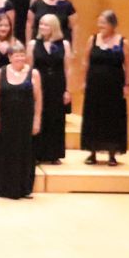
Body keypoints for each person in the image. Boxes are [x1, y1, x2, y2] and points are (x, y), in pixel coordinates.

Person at [0, 41, 40, 199]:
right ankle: (2, 188)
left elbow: (38, 99)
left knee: (24, 152)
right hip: (5, 118)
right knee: (4, 152)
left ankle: (24, 189)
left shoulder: (33, 73)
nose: (20, 58)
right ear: (10, 57)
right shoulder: (1, 72)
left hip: (25, 119)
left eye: (22, 55)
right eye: (16, 55)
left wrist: (37, 120)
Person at [81, 10, 129, 166]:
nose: (100, 25)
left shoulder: (123, 42)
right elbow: (85, 62)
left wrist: (127, 85)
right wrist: (84, 81)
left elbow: (128, 66)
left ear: (112, 24)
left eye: (103, 22)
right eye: (99, 22)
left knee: (113, 117)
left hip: (114, 86)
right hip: (94, 84)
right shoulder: (92, 39)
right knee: (93, 116)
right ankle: (92, 152)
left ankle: (112, 153)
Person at [33, 13, 74, 164]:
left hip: (57, 85)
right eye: (41, 24)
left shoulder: (64, 44)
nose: (42, 27)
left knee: (56, 118)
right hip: (40, 84)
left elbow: (68, 68)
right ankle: (37, 152)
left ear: (54, 27)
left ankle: (54, 154)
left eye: (46, 25)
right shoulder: (33, 44)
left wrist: (68, 90)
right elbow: (30, 67)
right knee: (40, 116)